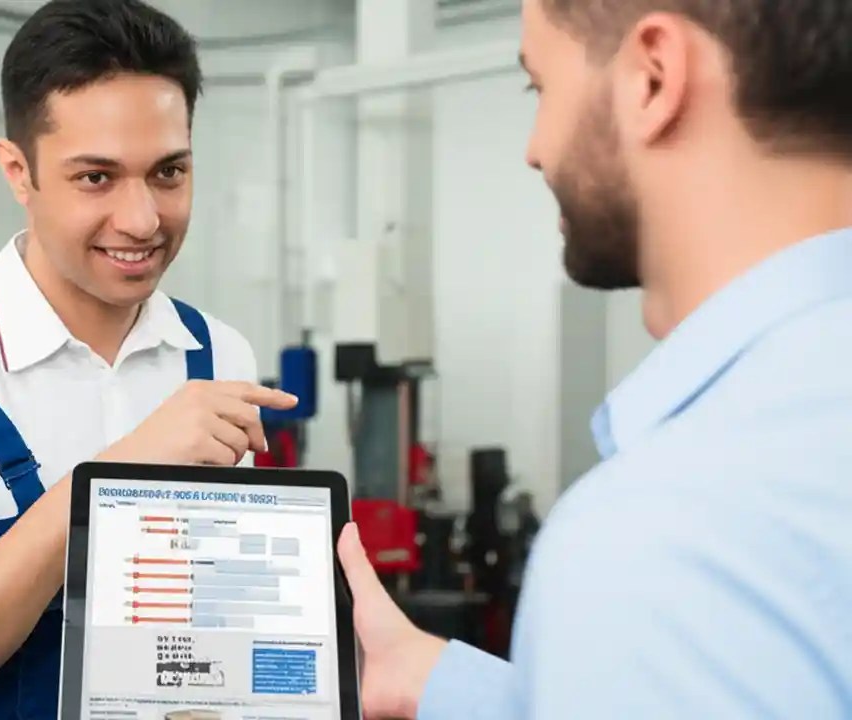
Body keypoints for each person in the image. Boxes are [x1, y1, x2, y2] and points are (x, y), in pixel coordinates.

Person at [339, 0, 852, 717]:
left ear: (652, 77)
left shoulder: (661, 542)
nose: (534, 148)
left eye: (538, 88)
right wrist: (437, 680)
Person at [0, 1, 297, 718]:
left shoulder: (220, 356)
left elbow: (207, 639)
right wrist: (109, 480)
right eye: (96, 178)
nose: (142, 220)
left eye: (168, 172)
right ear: (19, 172)